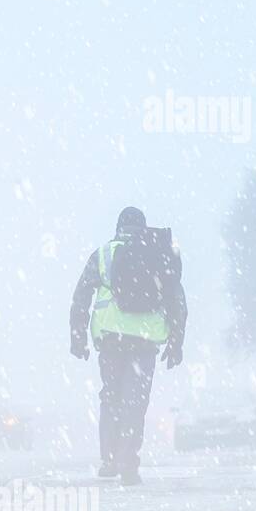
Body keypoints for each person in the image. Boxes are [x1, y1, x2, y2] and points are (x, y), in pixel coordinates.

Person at [69, 207, 186, 485]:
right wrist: (176, 342)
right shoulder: (157, 254)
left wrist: (78, 338)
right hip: (145, 341)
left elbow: (81, 295)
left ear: (118, 227)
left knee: (112, 398)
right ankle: (129, 463)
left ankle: (109, 459)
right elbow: (176, 300)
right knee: (136, 402)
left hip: (111, 340)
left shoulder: (104, 255)